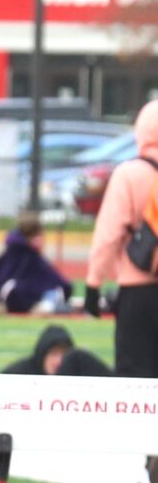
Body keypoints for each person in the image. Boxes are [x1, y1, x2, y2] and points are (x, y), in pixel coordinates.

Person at [85, 99, 158, 378]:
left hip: (137, 288)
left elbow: (109, 235)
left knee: (134, 380)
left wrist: (94, 284)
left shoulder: (129, 173)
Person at [0, 215, 73, 315]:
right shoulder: (29, 256)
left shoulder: (10, 253)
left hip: (1, 295)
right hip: (16, 296)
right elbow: (59, 283)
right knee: (55, 292)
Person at [2, 324, 111, 377]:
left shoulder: (78, 376)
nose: (59, 361)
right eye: (54, 354)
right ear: (42, 355)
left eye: (64, 355)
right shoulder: (19, 373)